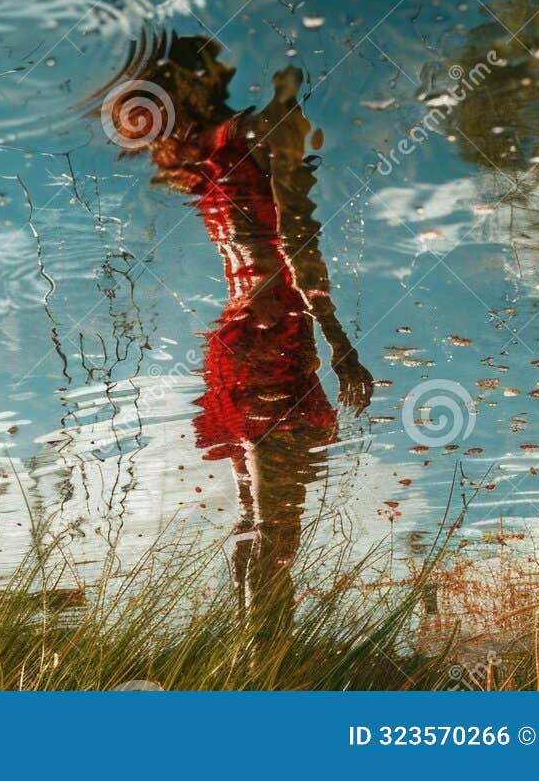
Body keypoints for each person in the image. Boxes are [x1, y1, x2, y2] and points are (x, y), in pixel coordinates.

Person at [106, 34, 372, 613]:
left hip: (237, 335)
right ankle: (268, 659)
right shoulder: (258, 133)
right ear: (195, 84)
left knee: (255, 521)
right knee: (277, 528)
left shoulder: (203, 157)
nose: (227, 70)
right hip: (275, 333)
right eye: (214, 65)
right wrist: (340, 343)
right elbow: (297, 244)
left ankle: (253, 654)